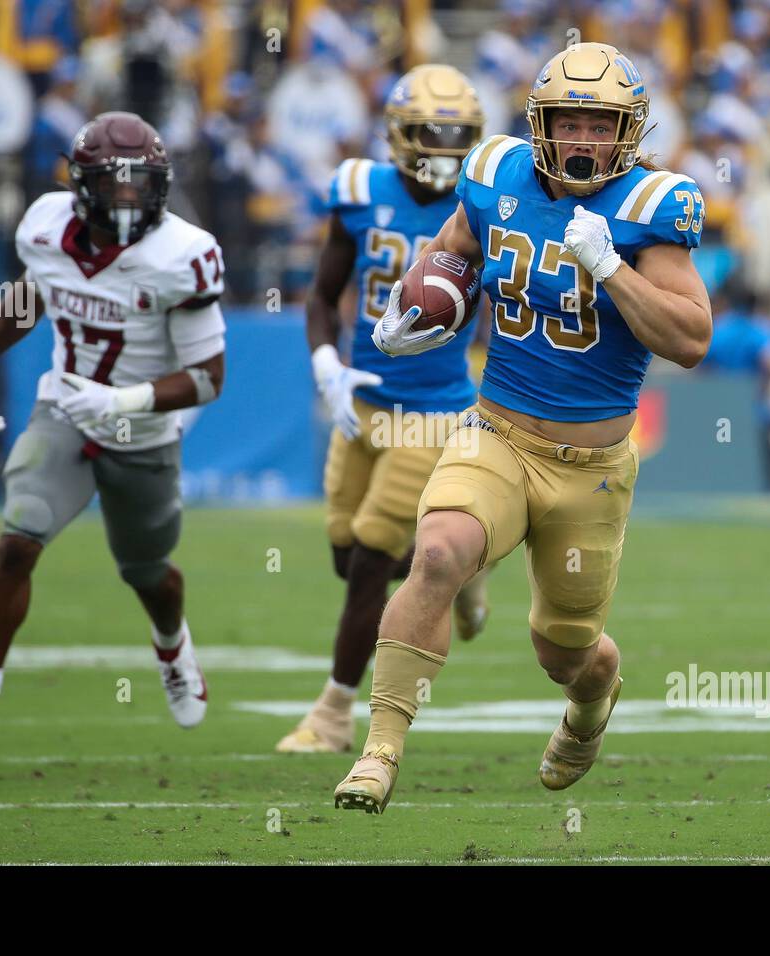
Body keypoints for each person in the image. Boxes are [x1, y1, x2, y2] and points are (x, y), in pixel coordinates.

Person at [333, 43, 712, 812]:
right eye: (568, 120)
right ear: (540, 122)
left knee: (565, 652)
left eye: (599, 125)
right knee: (436, 552)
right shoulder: (494, 173)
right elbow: (453, 256)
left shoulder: (649, 209)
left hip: (590, 468)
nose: (582, 139)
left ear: (628, 132)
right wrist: (417, 312)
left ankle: (591, 701)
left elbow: (691, 340)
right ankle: (378, 752)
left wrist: (612, 271)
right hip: (497, 430)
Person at [0, 112, 227, 758]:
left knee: (149, 573)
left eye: (141, 184)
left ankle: (173, 647)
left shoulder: (184, 254)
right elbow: (35, 293)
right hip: (64, 409)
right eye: (115, 184)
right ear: (82, 185)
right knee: (17, 538)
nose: (129, 198)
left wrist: (123, 398)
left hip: (143, 430)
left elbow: (207, 379)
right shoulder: (46, 226)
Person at [276, 64, 490, 755]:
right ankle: (457, 565)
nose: (444, 148)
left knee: (371, 560)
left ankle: (334, 715)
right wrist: (324, 365)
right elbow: (321, 295)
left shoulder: (485, 204)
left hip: (433, 411)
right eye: (431, 133)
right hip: (362, 402)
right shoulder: (359, 190)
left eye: (458, 136)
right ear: (400, 134)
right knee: (346, 557)